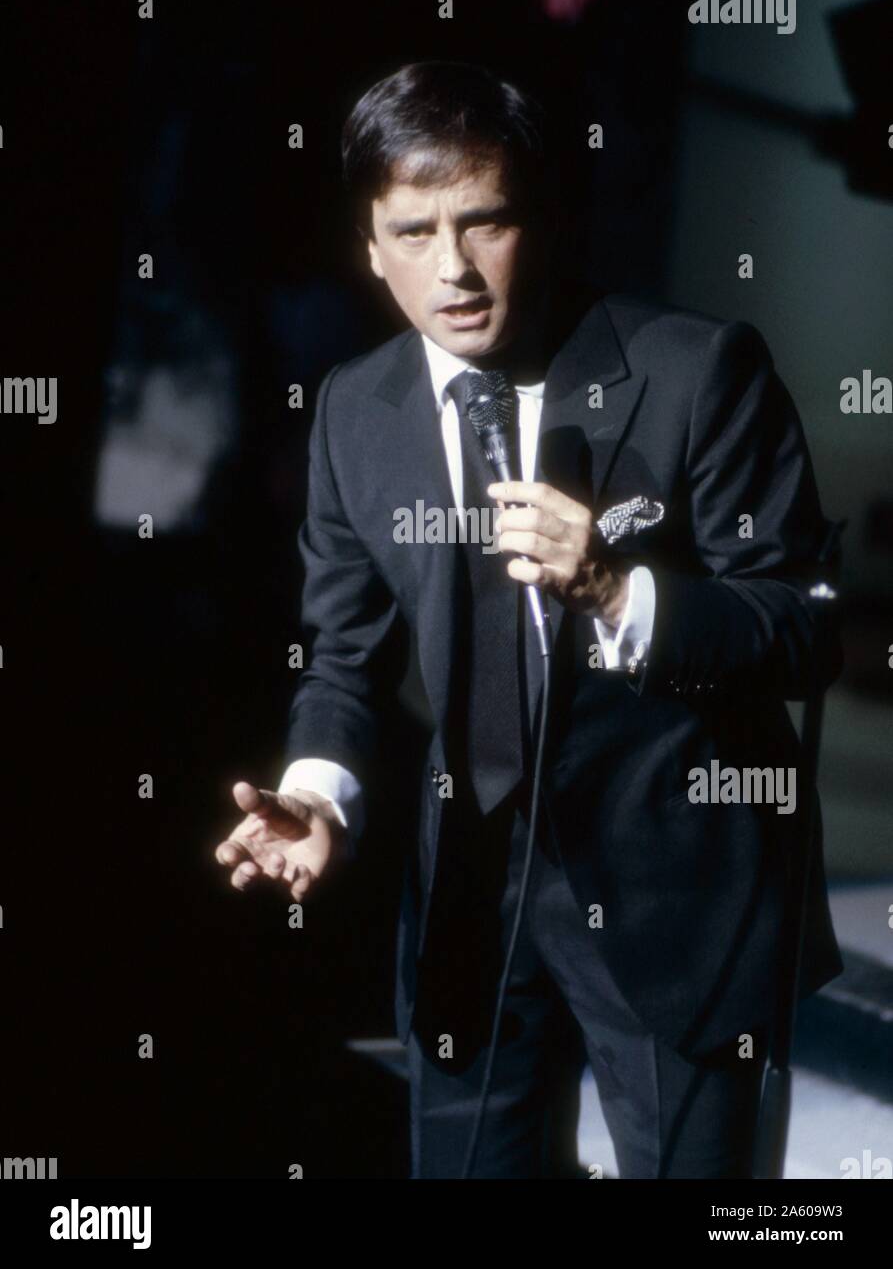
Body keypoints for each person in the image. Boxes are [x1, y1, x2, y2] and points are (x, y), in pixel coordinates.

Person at [215, 59, 843, 1178]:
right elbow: (343, 658)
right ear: (369, 246)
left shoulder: (695, 370)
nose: (450, 267)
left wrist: (617, 588)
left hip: (676, 895)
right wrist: (318, 795)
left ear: (538, 218)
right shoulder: (357, 412)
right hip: (467, 900)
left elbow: (804, 625)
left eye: (483, 221)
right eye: (412, 231)